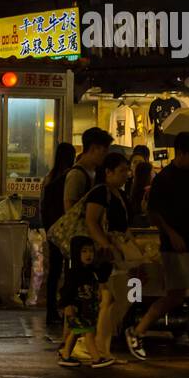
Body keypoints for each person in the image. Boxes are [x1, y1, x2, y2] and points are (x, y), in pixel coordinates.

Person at [125, 131, 189, 362]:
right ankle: (137, 331)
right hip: (176, 247)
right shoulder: (164, 178)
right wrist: (171, 233)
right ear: (180, 153)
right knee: (175, 295)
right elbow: (153, 212)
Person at [81, 151, 131, 366]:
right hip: (105, 253)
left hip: (115, 251)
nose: (126, 175)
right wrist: (106, 245)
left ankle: (103, 349)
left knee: (112, 299)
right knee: (108, 299)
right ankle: (97, 348)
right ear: (108, 172)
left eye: (127, 171)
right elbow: (91, 222)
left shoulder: (117, 193)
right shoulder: (100, 192)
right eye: (122, 171)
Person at [40, 141, 77, 326]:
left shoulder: (49, 177)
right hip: (67, 229)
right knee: (70, 270)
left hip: (52, 230)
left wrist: (48, 229)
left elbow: (43, 207)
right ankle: (68, 307)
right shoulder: (70, 177)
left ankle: (51, 310)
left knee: (54, 272)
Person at [57, 237, 104, 368]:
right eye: (84, 251)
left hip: (86, 310)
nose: (88, 255)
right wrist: (67, 305)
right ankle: (97, 358)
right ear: (76, 253)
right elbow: (67, 291)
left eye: (91, 251)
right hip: (77, 309)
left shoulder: (91, 271)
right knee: (88, 333)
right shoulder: (74, 273)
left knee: (76, 332)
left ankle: (66, 355)